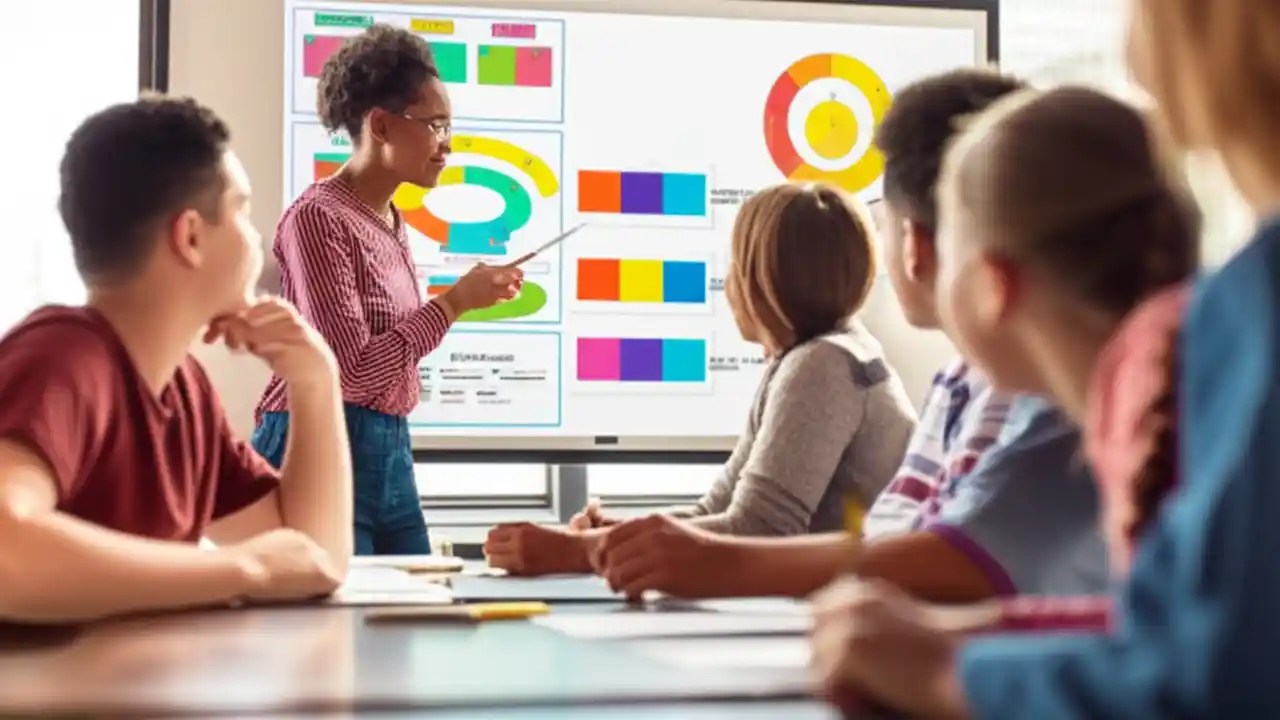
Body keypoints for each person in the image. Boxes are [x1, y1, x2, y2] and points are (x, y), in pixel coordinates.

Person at [508, 69, 1109, 605]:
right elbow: (887, 532)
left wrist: (589, 552)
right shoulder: (955, 379)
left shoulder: (832, 365)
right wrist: (627, 539)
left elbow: (941, 555)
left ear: (914, 248)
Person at [807, 58, 1274, 716]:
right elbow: (1156, 629)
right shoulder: (1162, 367)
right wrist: (965, 639)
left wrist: (952, 671)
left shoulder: (1177, 380)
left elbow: (1206, 677)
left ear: (991, 281)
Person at [0, 96, 353, 623]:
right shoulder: (64, 356)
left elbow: (311, 558)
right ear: (190, 236)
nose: (259, 242)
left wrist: (316, 382)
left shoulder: (185, 390)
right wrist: (244, 570)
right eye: (243, 211)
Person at [485, 182, 918, 577]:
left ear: (762, 280)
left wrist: (576, 551)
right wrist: (623, 535)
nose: (729, 284)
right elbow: (718, 512)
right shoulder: (820, 355)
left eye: (737, 266)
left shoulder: (823, 367)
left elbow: (758, 531)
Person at [252, 25, 521, 556]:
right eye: (436, 125)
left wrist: (456, 302)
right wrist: (453, 303)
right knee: (336, 631)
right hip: (320, 443)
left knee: (412, 617)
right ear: (380, 125)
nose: (446, 145)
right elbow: (350, 372)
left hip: (389, 447)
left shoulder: (394, 220)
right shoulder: (317, 218)